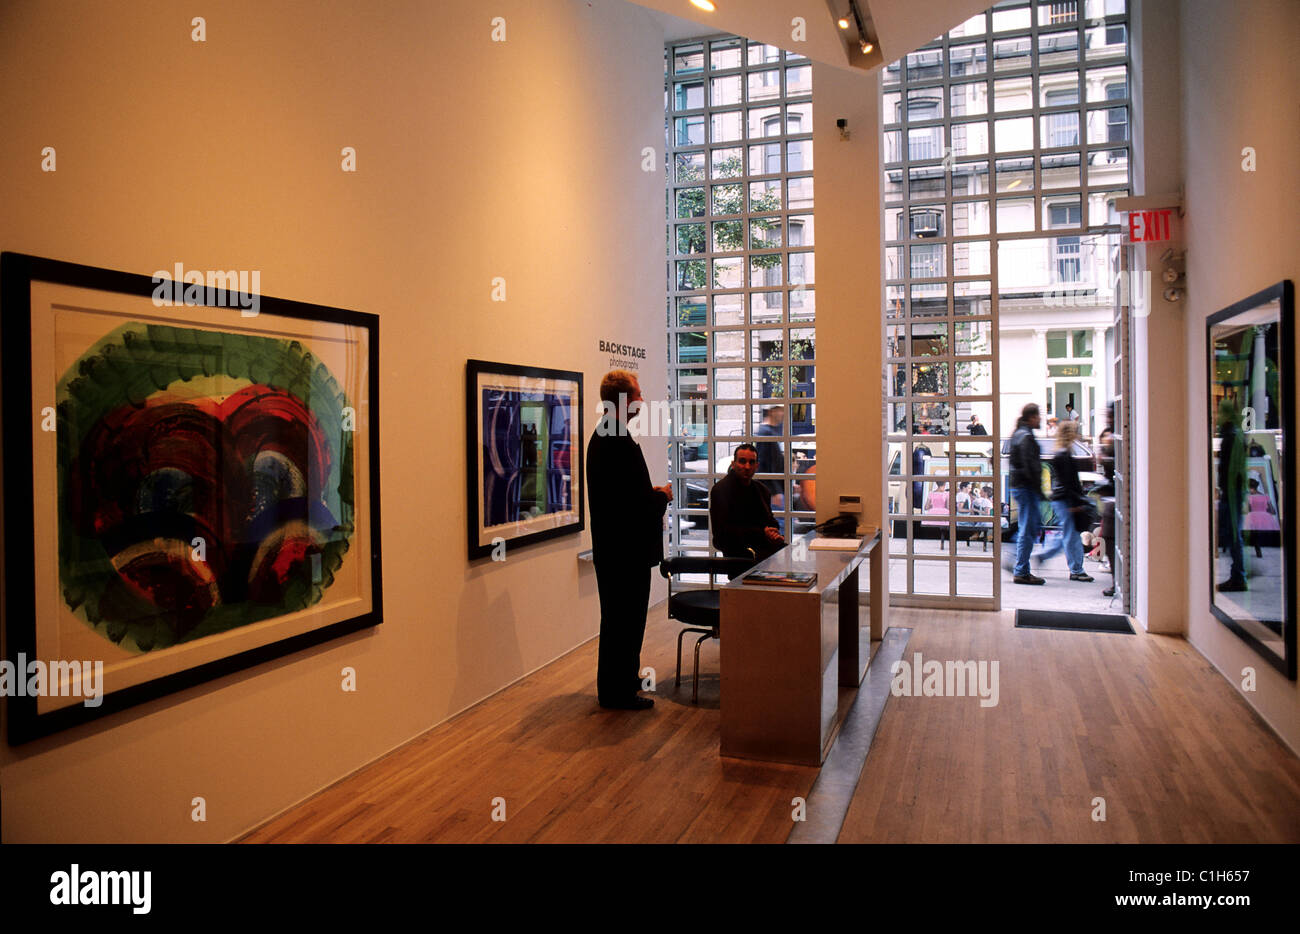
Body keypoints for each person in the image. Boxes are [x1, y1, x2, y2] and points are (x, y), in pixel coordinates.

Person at [587, 370, 672, 710]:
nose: (642, 400)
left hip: (617, 551)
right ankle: (617, 692)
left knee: (623, 620)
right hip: (623, 554)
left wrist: (646, 493)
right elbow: (630, 507)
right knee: (623, 621)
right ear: (623, 399)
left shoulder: (610, 434)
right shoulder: (615, 439)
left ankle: (623, 680)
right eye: (638, 394)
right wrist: (661, 497)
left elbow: (621, 496)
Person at [710, 444, 784, 561]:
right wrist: (762, 533)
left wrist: (773, 532)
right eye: (742, 461)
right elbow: (722, 535)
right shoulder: (721, 490)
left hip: (763, 552)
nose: (747, 466)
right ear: (733, 464)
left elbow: (770, 521)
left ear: (757, 466)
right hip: (737, 556)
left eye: (751, 462)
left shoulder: (762, 490)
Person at [1009, 403, 1049, 584]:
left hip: (1021, 486)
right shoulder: (1025, 436)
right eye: (1038, 415)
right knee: (1028, 528)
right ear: (1031, 417)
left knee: (1030, 527)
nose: (1040, 419)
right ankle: (1021, 570)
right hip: (1027, 488)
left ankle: (1019, 565)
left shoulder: (1019, 434)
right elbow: (1029, 466)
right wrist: (1037, 488)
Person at [1049, 421, 1094, 582]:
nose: (1078, 435)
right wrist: (1075, 504)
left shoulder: (1061, 452)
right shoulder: (1064, 455)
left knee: (1067, 535)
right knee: (1072, 536)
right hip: (1066, 501)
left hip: (1063, 499)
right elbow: (1070, 483)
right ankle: (1076, 570)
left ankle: (1041, 556)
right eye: (1076, 432)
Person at [1216, 397, 1248, 592]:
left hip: (1232, 492)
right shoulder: (1234, 434)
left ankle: (1238, 575)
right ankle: (1237, 574)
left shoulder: (1231, 436)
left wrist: (1227, 492)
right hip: (1233, 491)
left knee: (1234, 535)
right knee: (1233, 534)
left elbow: (1232, 470)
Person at [755, 405, 785, 531]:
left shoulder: (772, 431)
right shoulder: (765, 432)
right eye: (780, 410)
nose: (783, 413)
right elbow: (763, 465)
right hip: (773, 492)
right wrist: (773, 491)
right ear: (772, 411)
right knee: (777, 530)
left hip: (777, 489)